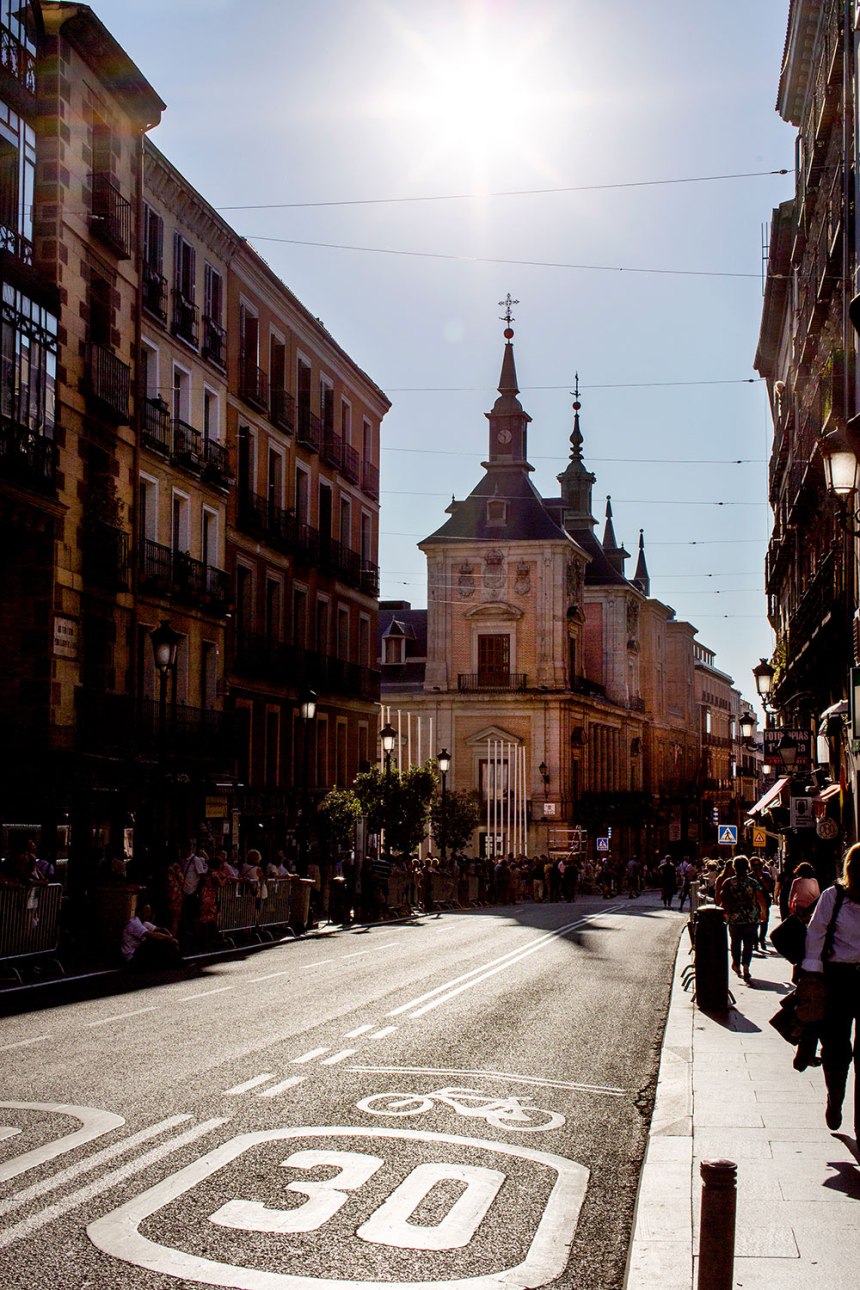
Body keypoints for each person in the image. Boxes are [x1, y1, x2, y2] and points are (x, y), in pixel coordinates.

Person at [798, 844, 860, 1135]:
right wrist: (812, 978)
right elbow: (815, 935)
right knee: (836, 1049)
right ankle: (835, 1099)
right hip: (837, 980)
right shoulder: (833, 898)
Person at [719, 855, 766, 984]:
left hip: (734, 917)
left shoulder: (728, 882)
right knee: (748, 944)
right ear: (747, 867)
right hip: (751, 917)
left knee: (735, 942)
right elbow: (760, 896)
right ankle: (746, 966)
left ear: (734, 867)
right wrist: (763, 913)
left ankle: (736, 964)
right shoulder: (753, 882)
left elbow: (722, 898)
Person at [121, 902, 180, 969]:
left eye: (149, 911)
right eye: (146, 911)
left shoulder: (144, 923)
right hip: (132, 956)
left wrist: (171, 936)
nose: (149, 914)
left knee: (163, 940)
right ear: (140, 912)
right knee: (156, 941)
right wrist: (169, 938)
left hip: (138, 952)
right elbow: (153, 935)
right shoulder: (134, 923)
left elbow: (161, 929)